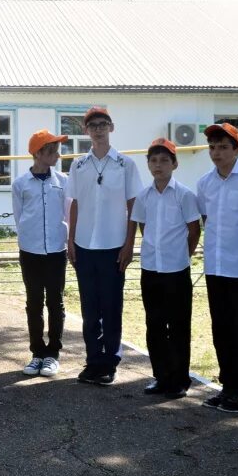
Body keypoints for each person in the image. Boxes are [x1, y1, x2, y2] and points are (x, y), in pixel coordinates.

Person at [66, 106, 142, 386]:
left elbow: (133, 203)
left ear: (112, 127)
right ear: (85, 131)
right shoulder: (79, 165)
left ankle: (110, 362)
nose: (98, 129)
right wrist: (71, 240)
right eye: (93, 125)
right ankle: (93, 360)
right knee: (89, 308)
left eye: (103, 124)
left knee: (111, 307)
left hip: (113, 245)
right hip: (84, 244)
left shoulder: (125, 164)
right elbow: (74, 203)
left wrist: (129, 243)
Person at [196, 123, 238, 413]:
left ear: (237, 149)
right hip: (215, 266)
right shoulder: (205, 183)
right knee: (221, 328)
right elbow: (207, 220)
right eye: (212, 147)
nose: (217, 152)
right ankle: (228, 387)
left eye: (223, 147)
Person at [130, 139, 201, 399]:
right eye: (153, 160)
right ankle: (161, 377)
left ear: (174, 163)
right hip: (151, 269)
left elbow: (194, 230)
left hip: (176, 270)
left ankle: (180, 379)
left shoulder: (184, 194)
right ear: (148, 164)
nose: (158, 165)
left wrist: (183, 255)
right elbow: (142, 226)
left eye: (163, 160)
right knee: (155, 324)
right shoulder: (144, 196)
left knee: (179, 325)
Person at [12, 129, 69, 379]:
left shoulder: (63, 182)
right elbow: (19, 216)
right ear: (38, 153)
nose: (57, 155)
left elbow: (68, 214)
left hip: (57, 249)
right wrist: (28, 239)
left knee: (55, 302)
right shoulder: (20, 184)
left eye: (57, 150)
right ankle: (37, 353)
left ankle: (52, 354)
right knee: (33, 302)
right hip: (31, 250)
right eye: (52, 150)